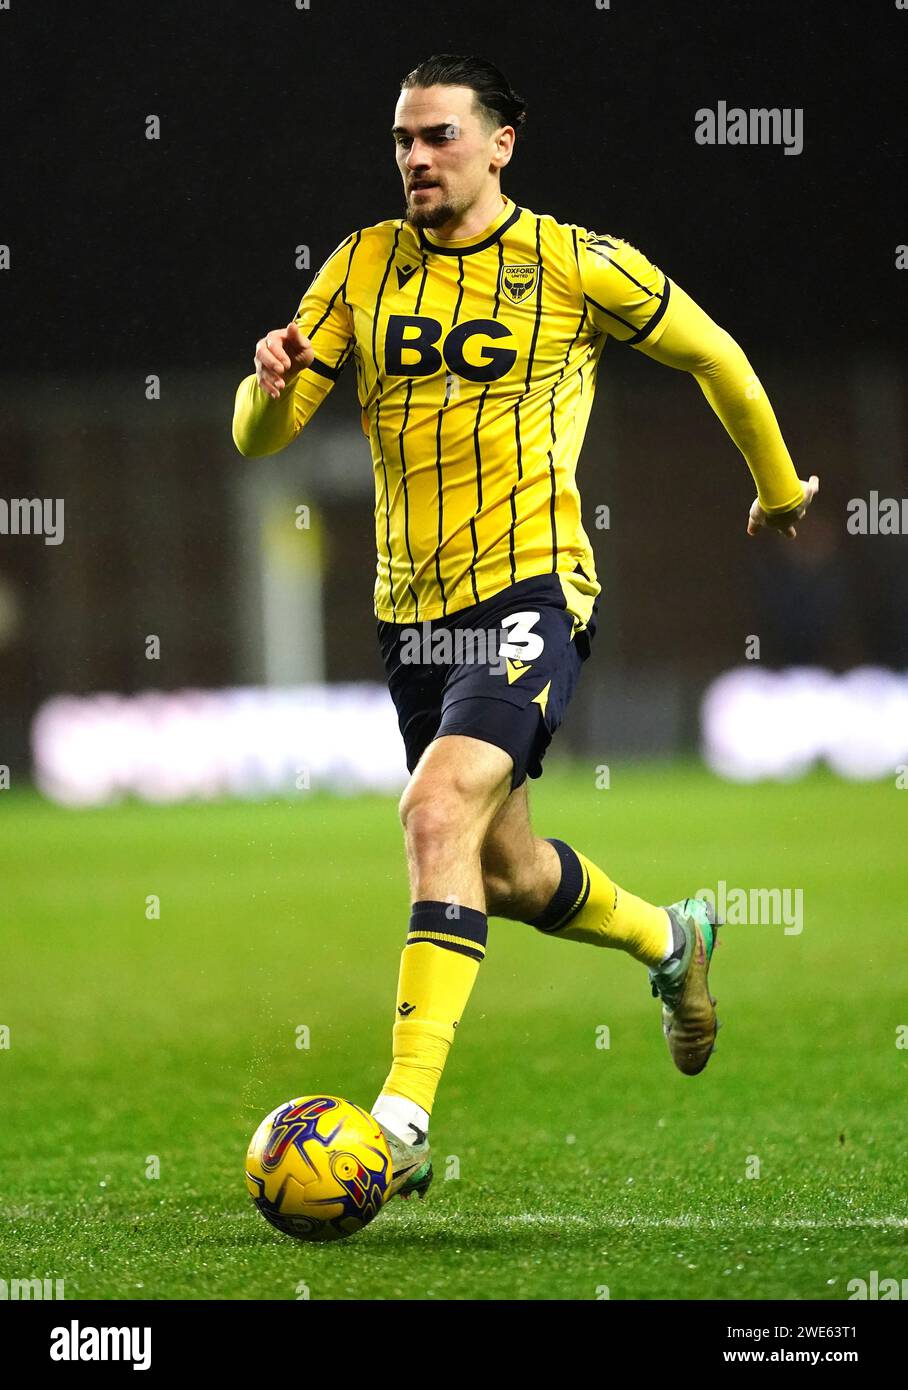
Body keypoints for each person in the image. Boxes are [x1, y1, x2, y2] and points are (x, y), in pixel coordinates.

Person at [232, 53, 818, 1201]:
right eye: (402, 138)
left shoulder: (571, 262)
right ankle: (672, 938)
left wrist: (779, 484)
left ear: (500, 144)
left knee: (434, 805)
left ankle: (398, 1119)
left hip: (528, 591)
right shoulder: (358, 267)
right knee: (495, 865)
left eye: (438, 136)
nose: (414, 157)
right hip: (410, 616)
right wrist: (266, 382)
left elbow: (715, 356)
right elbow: (259, 437)